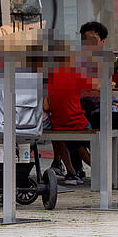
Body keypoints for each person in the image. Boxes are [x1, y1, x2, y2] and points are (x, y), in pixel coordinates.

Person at [43, 48, 95, 186]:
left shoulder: (48, 77)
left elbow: (46, 107)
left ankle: (73, 171)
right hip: (77, 123)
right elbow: (96, 86)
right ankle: (100, 170)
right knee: (82, 143)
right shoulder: (76, 75)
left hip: (59, 124)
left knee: (63, 139)